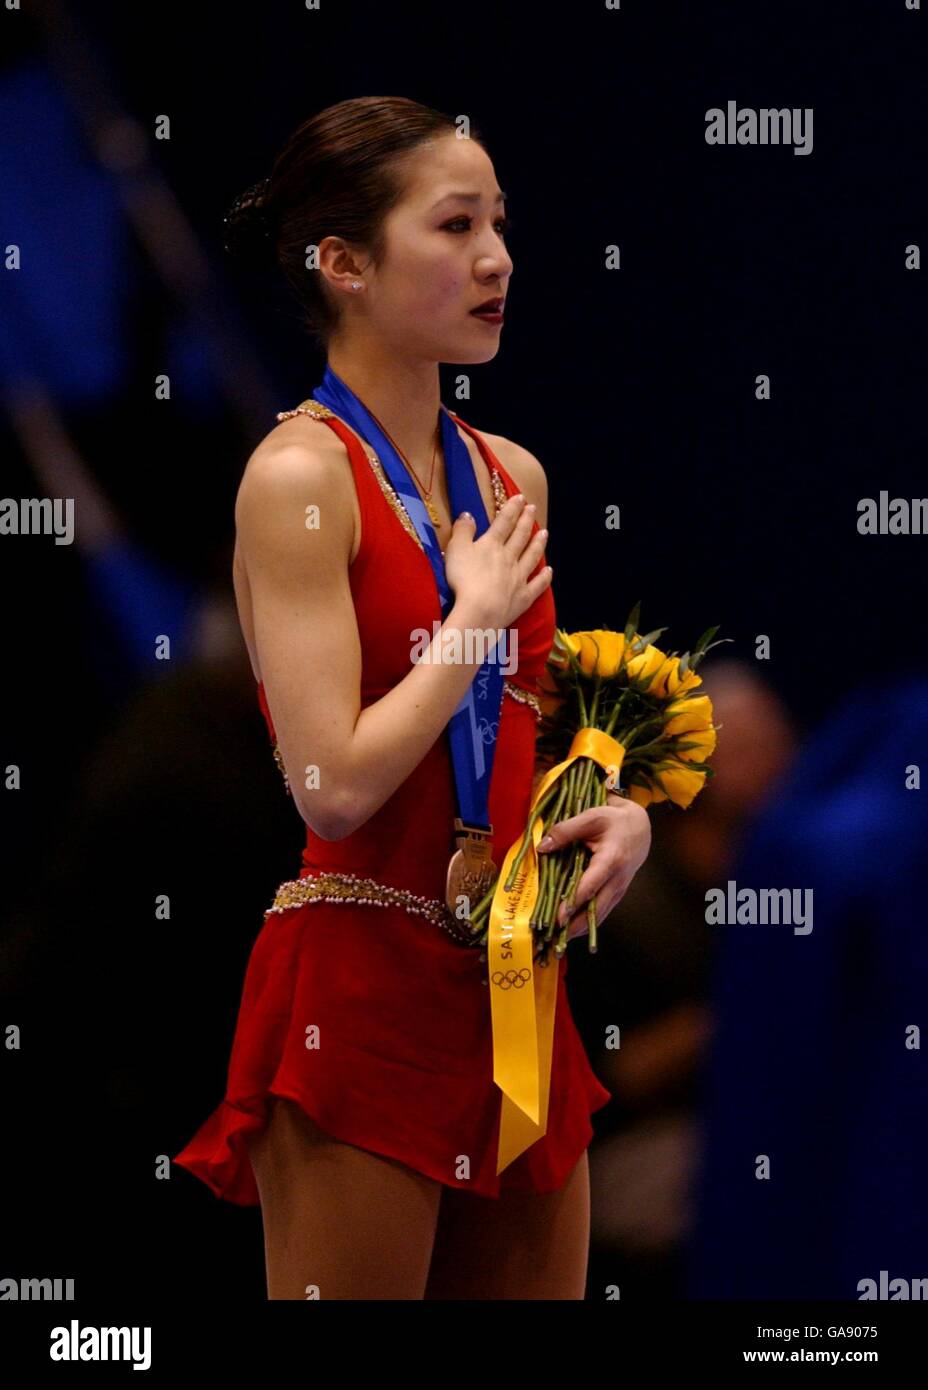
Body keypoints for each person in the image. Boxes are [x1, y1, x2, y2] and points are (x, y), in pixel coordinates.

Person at [172, 95, 653, 1300]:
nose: (496, 257)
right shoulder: (297, 477)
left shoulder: (510, 475)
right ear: (342, 263)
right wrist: (470, 622)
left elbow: (518, 735)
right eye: (453, 226)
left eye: (498, 223)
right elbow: (333, 784)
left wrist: (611, 806)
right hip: (360, 983)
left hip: (510, 973)